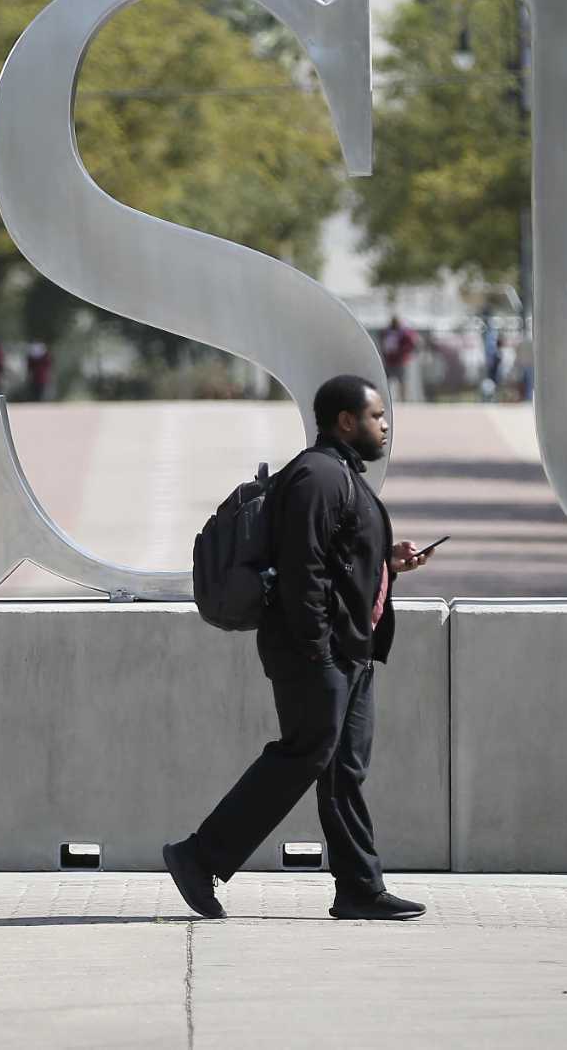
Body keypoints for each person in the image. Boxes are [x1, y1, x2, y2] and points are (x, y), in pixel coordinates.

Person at [164, 375, 433, 922]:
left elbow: (339, 563)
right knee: (304, 754)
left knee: (343, 770)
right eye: (376, 417)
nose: (384, 427)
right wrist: (317, 651)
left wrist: (389, 564)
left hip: (349, 650)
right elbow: (301, 570)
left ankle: (359, 887)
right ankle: (200, 854)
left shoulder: (344, 478)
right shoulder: (317, 476)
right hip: (317, 651)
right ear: (345, 421)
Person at [380, 316, 419, 403]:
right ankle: (385, 399)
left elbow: (412, 343)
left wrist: (403, 353)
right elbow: (383, 343)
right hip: (390, 361)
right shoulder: (387, 332)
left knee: (402, 381)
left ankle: (403, 400)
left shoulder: (404, 333)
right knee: (386, 381)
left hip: (400, 361)